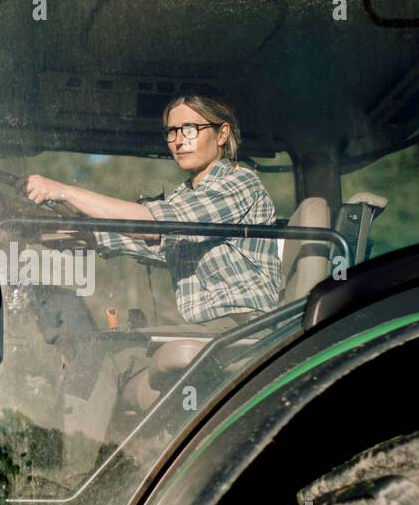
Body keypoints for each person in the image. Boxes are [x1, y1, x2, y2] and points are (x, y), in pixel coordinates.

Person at [24, 94, 282, 329]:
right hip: (211, 329)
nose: (179, 141)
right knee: (123, 355)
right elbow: (120, 236)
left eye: (190, 130)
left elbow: (150, 225)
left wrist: (64, 191)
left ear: (222, 134)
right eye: (172, 132)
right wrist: (30, 222)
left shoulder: (239, 184)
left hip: (245, 328)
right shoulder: (185, 197)